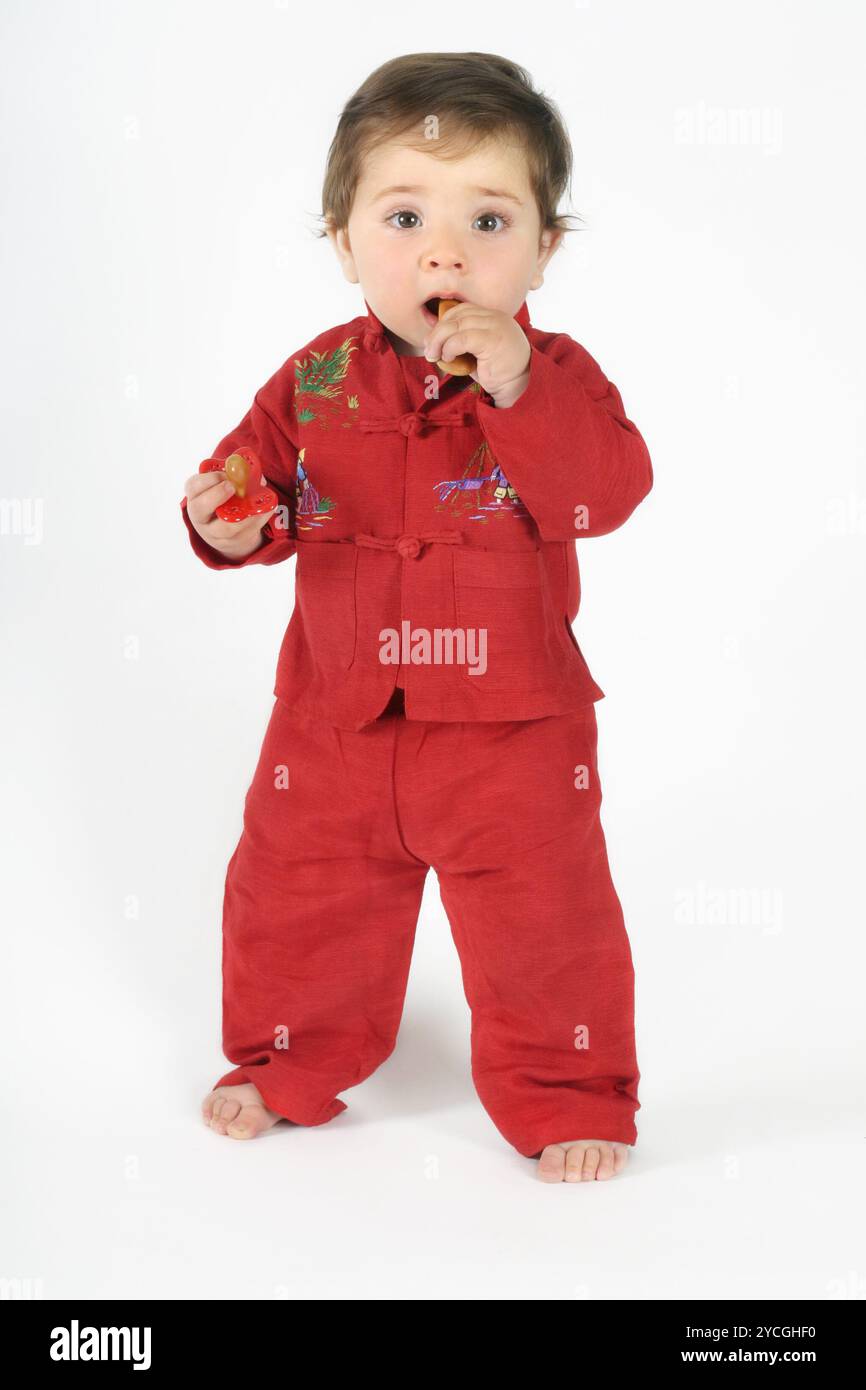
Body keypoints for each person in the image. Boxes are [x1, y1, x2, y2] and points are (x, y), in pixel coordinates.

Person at [182, 51, 653, 1183]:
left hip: (512, 732)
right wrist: (229, 521)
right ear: (343, 242)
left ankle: (567, 1087)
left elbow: (606, 491)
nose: (444, 251)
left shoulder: (556, 373)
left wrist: (515, 392)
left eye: (488, 220)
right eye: (403, 215)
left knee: (549, 921)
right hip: (335, 723)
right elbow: (254, 487)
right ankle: (288, 1057)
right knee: (293, 892)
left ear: (544, 248)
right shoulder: (317, 381)